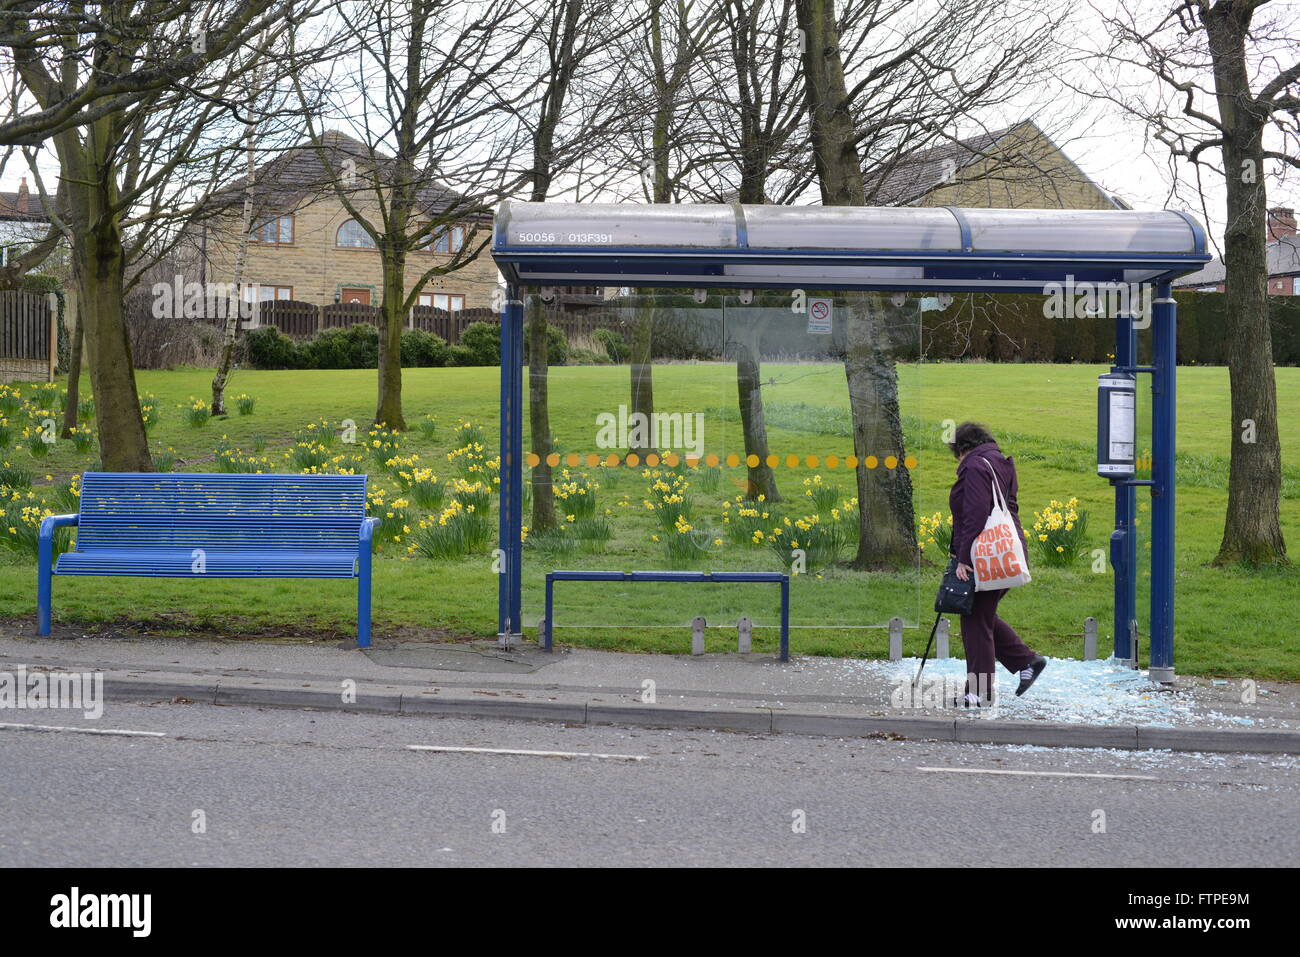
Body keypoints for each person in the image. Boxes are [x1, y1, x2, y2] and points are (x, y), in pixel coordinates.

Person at [947, 422, 1046, 707]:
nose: (957, 460)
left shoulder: (976, 466)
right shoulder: (999, 462)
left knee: (975, 618)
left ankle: (979, 691)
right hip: (1006, 552)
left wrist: (963, 558)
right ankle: (1027, 661)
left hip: (985, 557)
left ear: (963, 448)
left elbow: (975, 513)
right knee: (980, 614)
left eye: (956, 454)